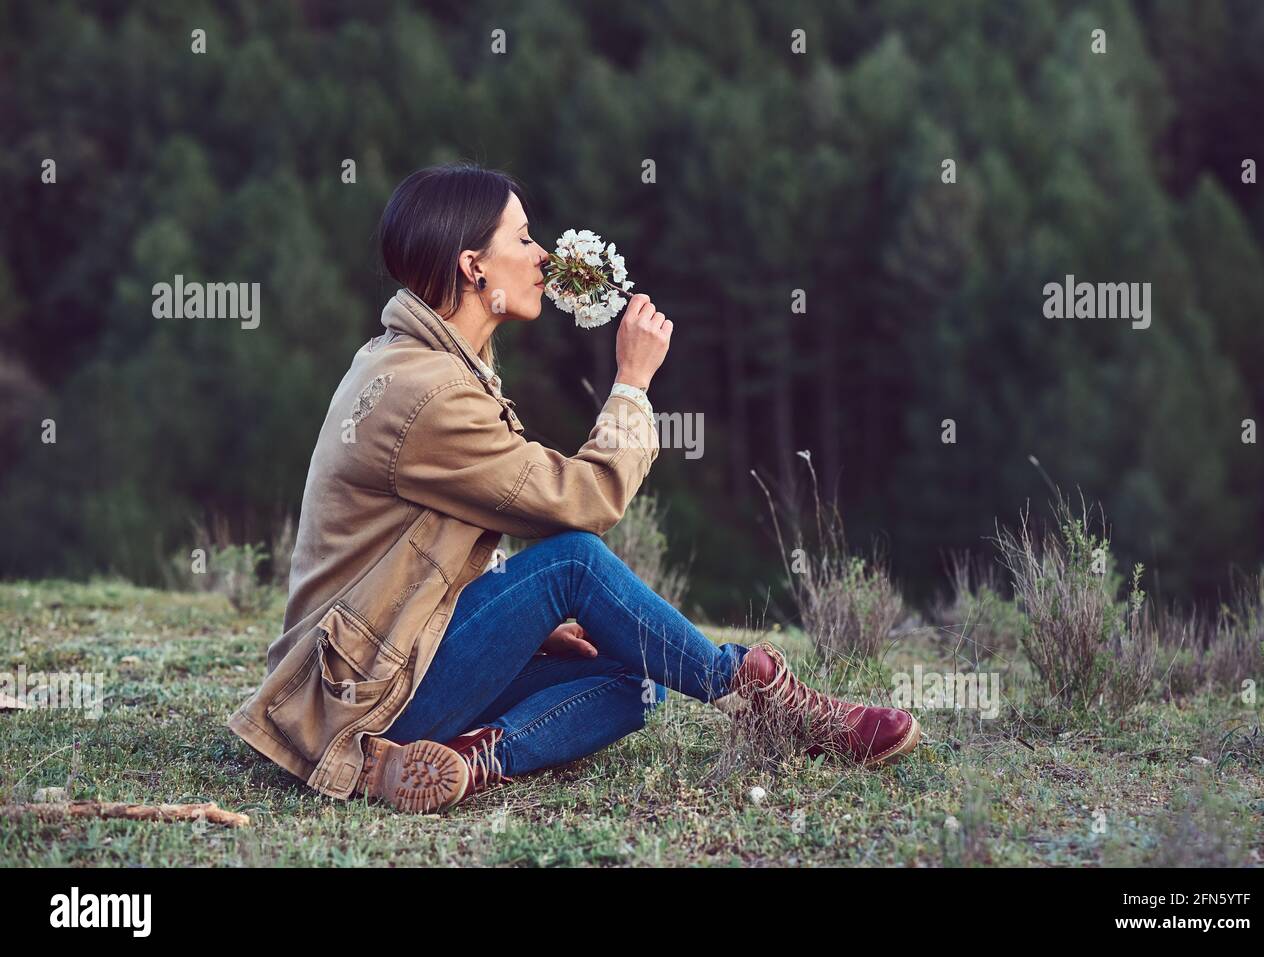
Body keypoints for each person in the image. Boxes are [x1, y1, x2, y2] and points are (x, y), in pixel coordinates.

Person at [226, 163, 919, 814]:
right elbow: (586, 500)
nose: (543, 256)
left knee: (634, 672)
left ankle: (473, 760)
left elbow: (414, 549)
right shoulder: (427, 393)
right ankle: (766, 697)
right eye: (522, 238)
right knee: (572, 559)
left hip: (382, 663)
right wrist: (631, 384)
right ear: (473, 267)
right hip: (367, 689)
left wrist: (517, 621)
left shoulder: (410, 361)